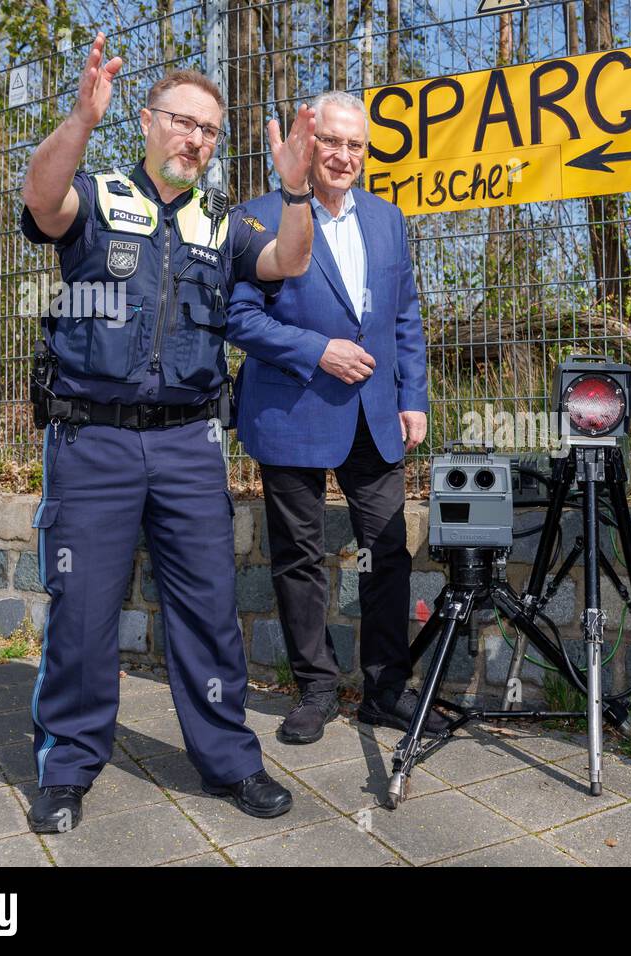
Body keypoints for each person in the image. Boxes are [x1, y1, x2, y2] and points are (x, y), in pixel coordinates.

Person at [19, 33, 317, 832]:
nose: (195, 138)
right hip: (95, 442)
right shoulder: (99, 195)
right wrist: (80, 119)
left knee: (209, 611)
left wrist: (294, 193)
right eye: (183, 122)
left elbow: (289, 262)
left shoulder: (224, 231)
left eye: (209, 131)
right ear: (148, 123)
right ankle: (66, 766)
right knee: (81, 608)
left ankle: (228, 762)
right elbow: (42, 199)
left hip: (188, 445)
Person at [226, 90, 442, 745]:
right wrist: (318, 350)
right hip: (291, 413)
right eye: (332, 142)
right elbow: (240, 318)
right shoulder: (256, 219)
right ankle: (316, 691)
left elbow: (404, 315)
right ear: (307, 145)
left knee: (387, 554)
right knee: (298, 557)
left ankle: (383, 691)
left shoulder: (387, 220)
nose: (344, 156)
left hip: (373, 418)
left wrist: (413, 398)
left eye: (356, 144)